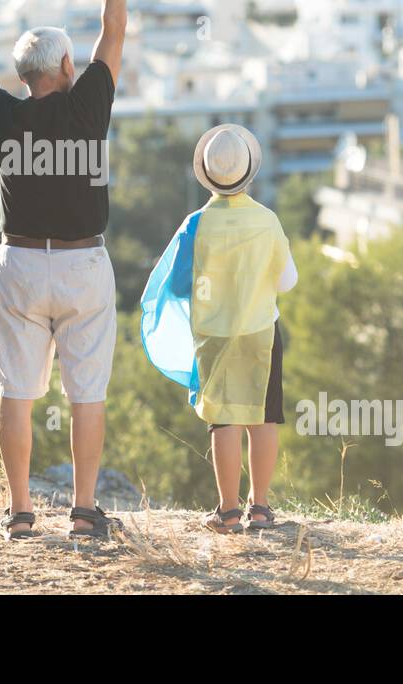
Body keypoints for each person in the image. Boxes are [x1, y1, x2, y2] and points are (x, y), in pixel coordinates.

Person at [0, 0, 126, 540]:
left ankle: (21, 511)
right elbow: (116, 27)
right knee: (87, 394)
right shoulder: (88, 105)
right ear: (60, 67)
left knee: (16, 391)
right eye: (72, 60)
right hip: (84, 265)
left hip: (21, 264)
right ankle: (84, 511)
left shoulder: (1, 115)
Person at [139, 123, 297, 534]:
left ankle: (227, 512)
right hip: (261, 332)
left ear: (208, 175)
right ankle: (259, 508)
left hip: (212, 336)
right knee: (263, 419)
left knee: (222, 421)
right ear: (249, 171)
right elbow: (288, 282)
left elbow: (173, 283)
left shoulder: (194, 224)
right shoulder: (267, 220)